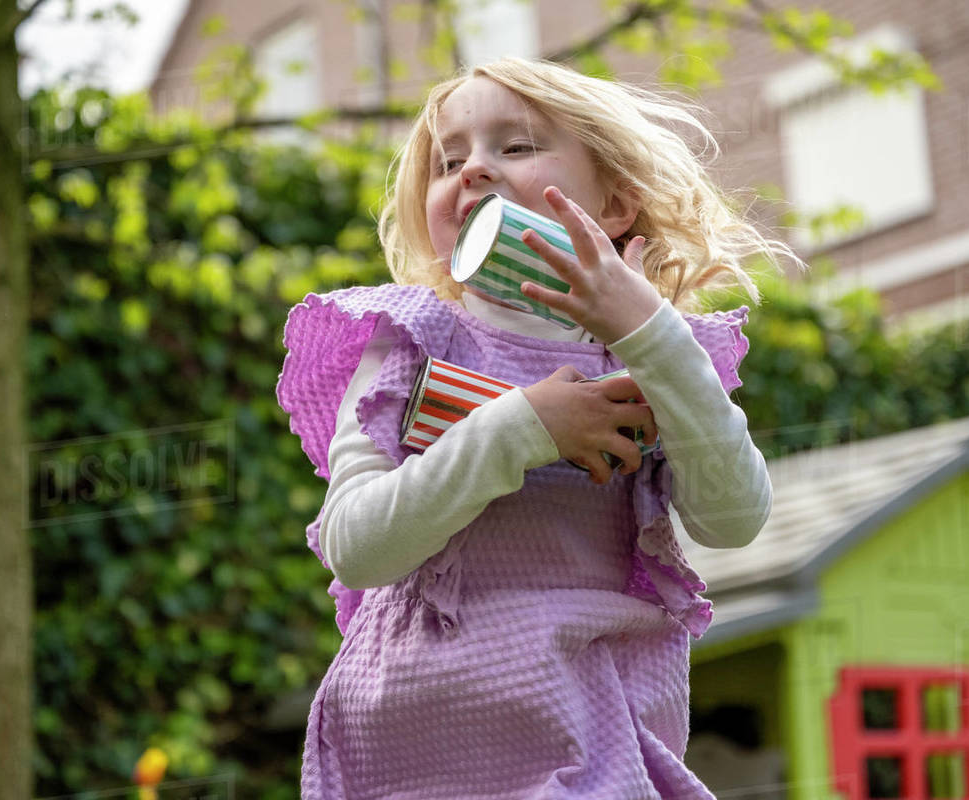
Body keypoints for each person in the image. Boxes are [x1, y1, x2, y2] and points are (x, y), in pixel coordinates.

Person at [276, 56, 799, 799]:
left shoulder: (657, 353)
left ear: (615, 204)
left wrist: (651, 335)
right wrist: (524, 427)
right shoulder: (410, 339)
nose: (474, 171)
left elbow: (734, 516)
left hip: (595, 735)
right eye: (450, 160)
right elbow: (355, 548)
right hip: (413, 743)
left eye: (515, 147)